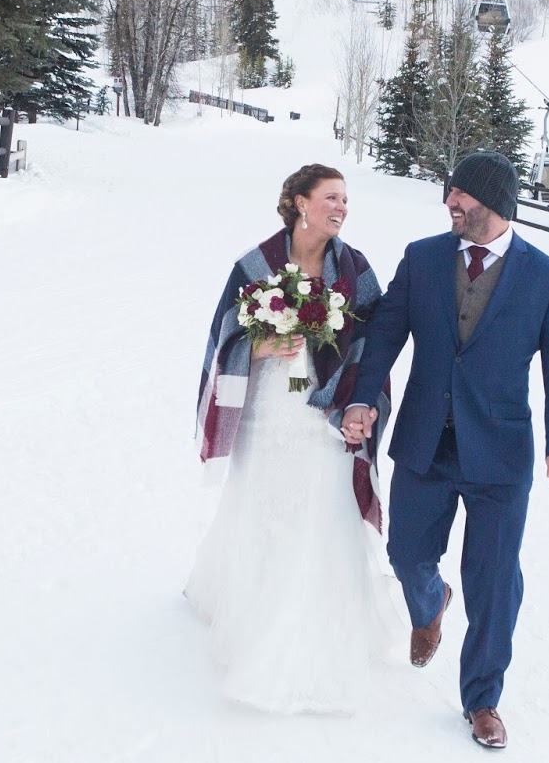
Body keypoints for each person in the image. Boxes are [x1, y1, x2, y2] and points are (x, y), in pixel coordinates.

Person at [342, 150, 549, 750]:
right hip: (427, 441)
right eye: (449, 197)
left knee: (494, 579)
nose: (449, 205)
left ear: (494, 204)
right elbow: (386, 336)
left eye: (461, 199)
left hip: (500, 454)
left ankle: (482, 698)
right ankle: (431, 603)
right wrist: (363, 397)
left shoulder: (547, 276)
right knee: (406, 554)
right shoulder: (422, 258)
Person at [188, 164, 400, 713]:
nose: (342, 208)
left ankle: (314, 625)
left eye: (346, 200)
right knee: (263, 506)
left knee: (318, 511)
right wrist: (257, 348)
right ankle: (252, 613)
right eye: (331, 197)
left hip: (322, 411)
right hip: (266, 410)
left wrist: (361, 401)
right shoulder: (254, 265)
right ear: (300, 202)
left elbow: (373, 343)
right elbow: (223, 338)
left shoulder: (355, 270)